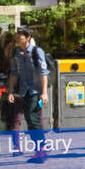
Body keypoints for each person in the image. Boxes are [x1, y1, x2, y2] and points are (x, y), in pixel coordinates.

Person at [7, 26, 50, 162]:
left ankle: (42, 148)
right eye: (17, 36)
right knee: (30, 120)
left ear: (28, 38)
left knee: (34, 117)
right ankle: (39, 149)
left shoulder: (37, 52)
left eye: (21, 36)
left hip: (36, 92)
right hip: (24, 91)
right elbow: (14, 72)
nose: (18, 38)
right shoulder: (16, 52)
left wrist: (44, 93)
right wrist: (11, 91)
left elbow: (44, 73)